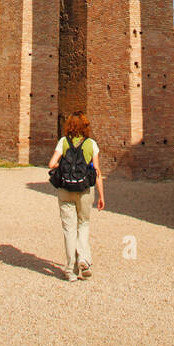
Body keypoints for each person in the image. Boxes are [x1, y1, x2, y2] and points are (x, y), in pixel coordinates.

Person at [48, 111, 105, 281]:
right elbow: (97, 172)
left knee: (69, 229)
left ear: (69, 126)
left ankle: (70, 270)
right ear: (86, 127)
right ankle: (84, 259)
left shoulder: (63, 142)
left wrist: (63, 165)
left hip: (65, 189)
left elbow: (51, 164)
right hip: (84, 190)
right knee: (83, 225)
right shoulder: (91, 144)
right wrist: (101, 195)